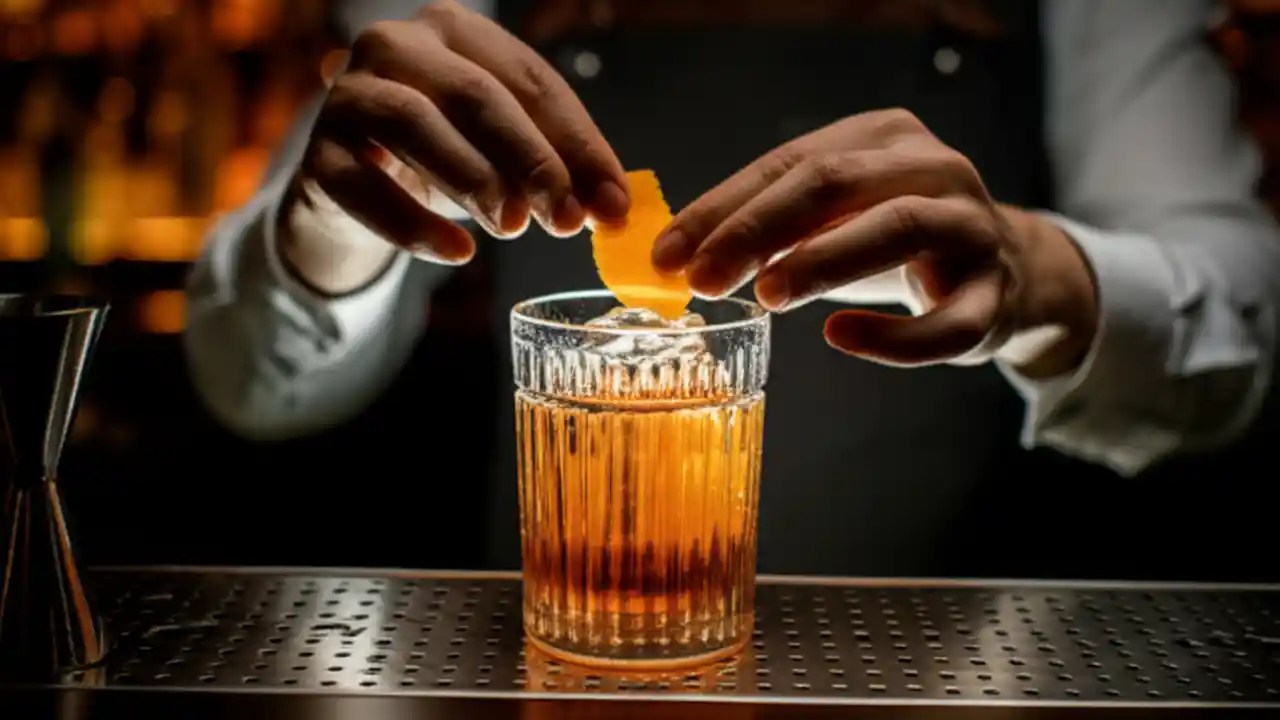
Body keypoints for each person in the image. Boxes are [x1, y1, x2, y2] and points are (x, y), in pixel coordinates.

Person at [184, 0, 1279, 579]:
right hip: (563, 671)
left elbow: (1242, 336)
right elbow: (250, 384)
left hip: (948, 670)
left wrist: (1033, 271)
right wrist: (327, 234)